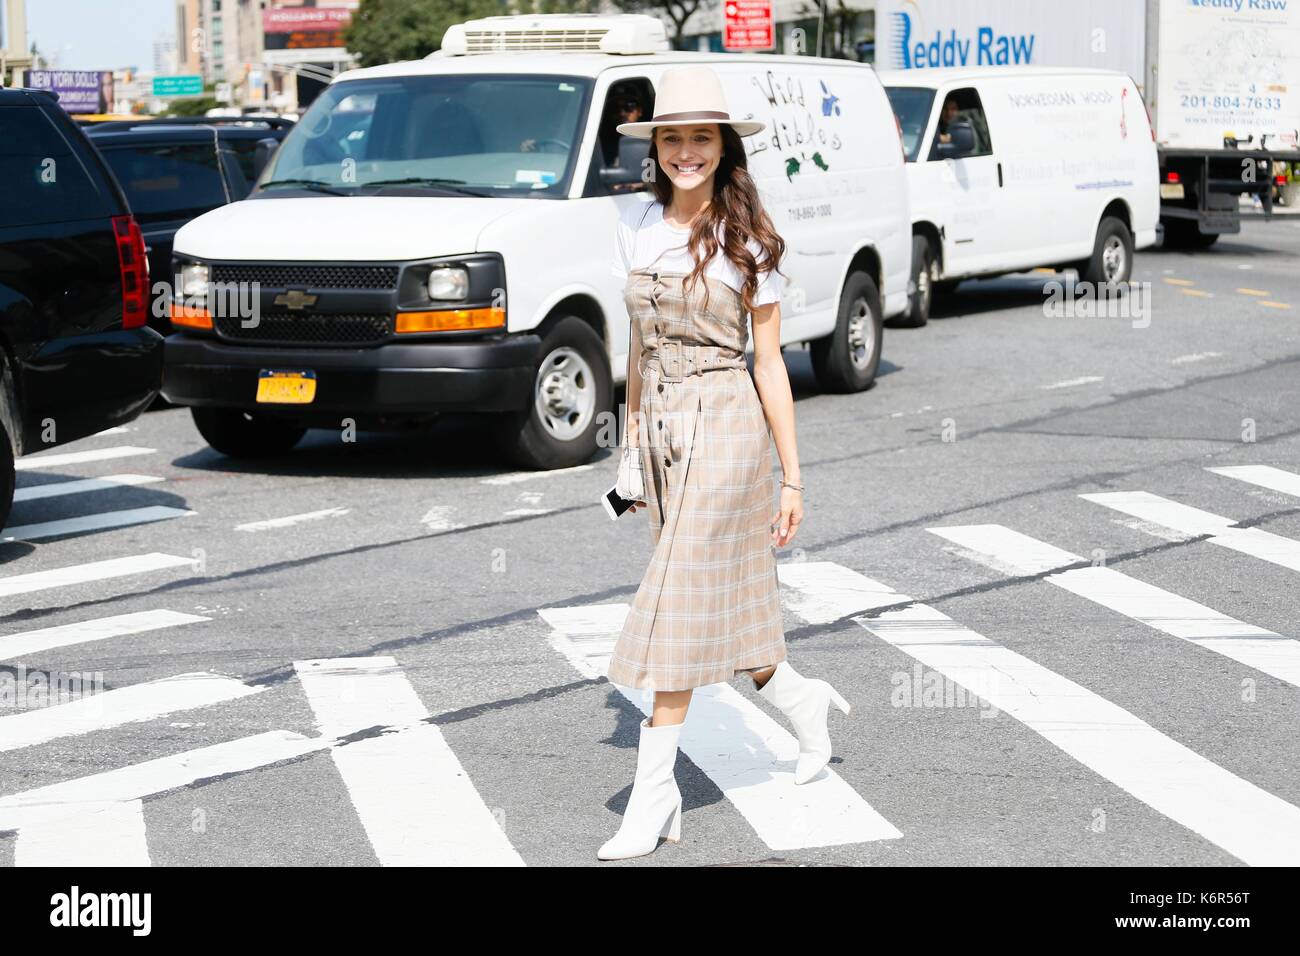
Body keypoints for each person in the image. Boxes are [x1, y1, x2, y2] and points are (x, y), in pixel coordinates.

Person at [598, 65, 850, 862]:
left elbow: (769, 364)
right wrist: (630, 447)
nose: (685, 152)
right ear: (656, 148)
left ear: (725, 147)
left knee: (674, 599)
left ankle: (652, 798)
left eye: (700, 138)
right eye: (672, 138)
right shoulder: (634, 222)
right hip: (665, 433)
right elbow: (636, 346)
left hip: (728, 427)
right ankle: (806, 706)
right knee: (718, 602)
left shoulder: (749, 240)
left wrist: (794, 474)